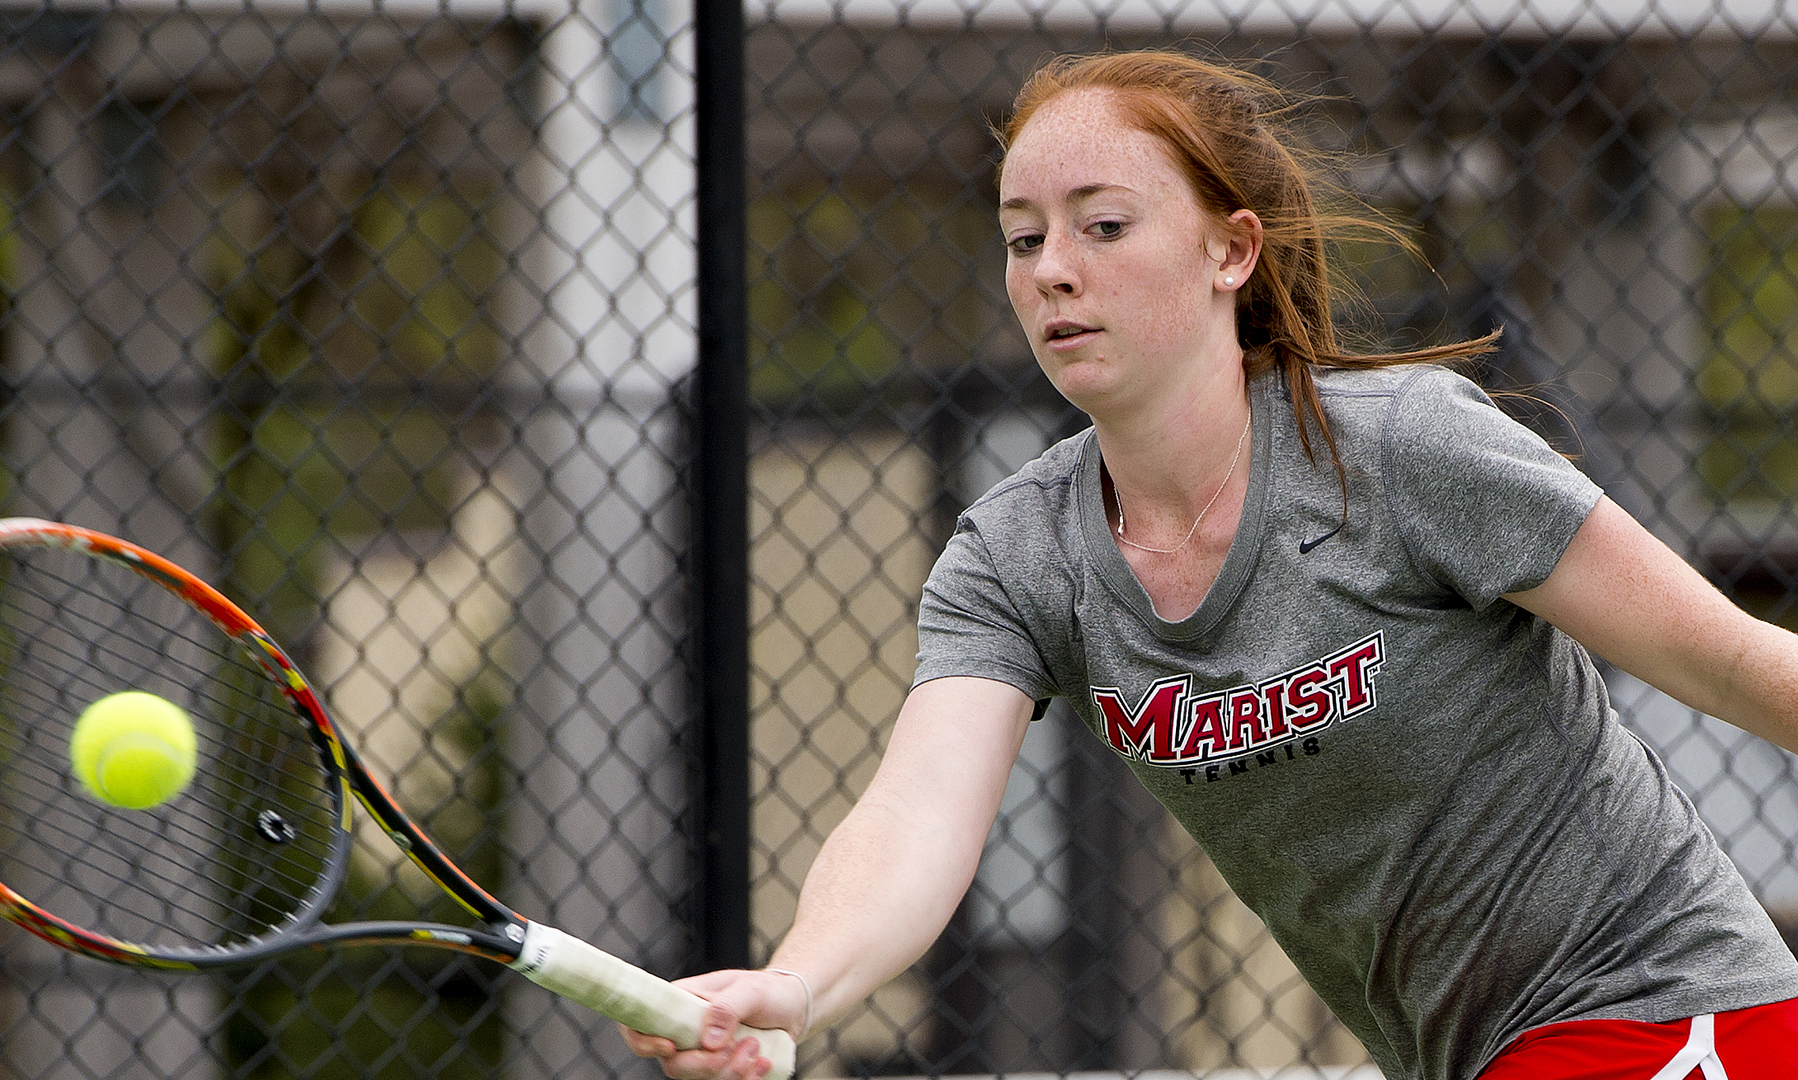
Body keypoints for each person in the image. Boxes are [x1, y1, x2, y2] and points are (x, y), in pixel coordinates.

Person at [625, 49, 1798, 1080]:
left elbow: (1734, 663)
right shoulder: (1017, 554)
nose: (1052, 270)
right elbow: (918, 813)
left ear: (1231, 249)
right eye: (1023, 237)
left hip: (1670, 1015)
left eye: (1103, 224)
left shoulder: (1406, 450)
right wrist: (802, 982)